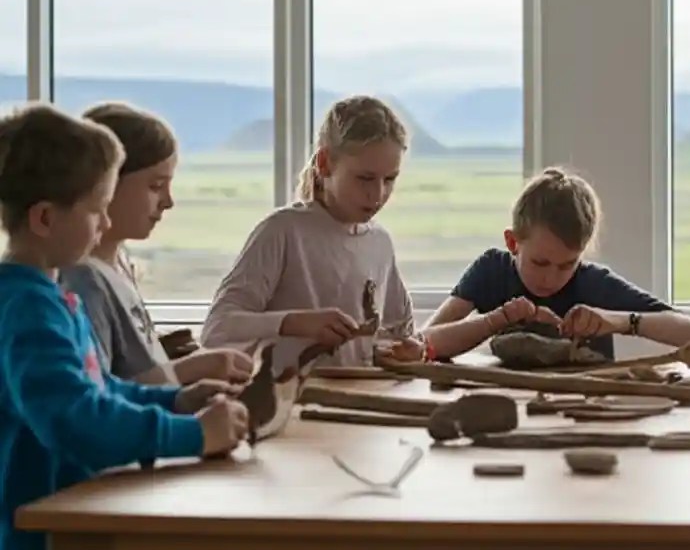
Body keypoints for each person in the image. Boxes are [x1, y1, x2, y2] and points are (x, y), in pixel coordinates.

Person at [0, 103, 247, 550]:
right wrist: (193, 434)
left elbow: (97, 388)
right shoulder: (27, 311)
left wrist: (175, 400)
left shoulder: (49, 297)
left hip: (76, 518)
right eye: (97, 211)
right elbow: (76, 420)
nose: (107, 223)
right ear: (44, 219)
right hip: (43, 535)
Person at [199, 96, 427, 375]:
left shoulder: (380, 243)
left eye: (389, 179)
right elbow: (217, 329)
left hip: (355, 402)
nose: (378, 194)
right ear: (325, 163)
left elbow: (397, 334)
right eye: (365, 179)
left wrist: (408, 350)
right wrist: (295, 323)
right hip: (289, 407)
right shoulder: (281, 232)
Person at [60, 102, 252, 385]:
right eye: (155, 186)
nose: (168, 201)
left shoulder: (119, 263)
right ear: (106, 185)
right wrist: (190, 371)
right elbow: (93, 399)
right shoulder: (84, 280)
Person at [425, 167, 690, 360]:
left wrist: (618, 321)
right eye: (540, 262)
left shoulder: (592, 283)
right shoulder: (492, 271)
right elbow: (423, 342)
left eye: (566, 265)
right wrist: (496, 321)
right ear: (512, 243)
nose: (550, 278)